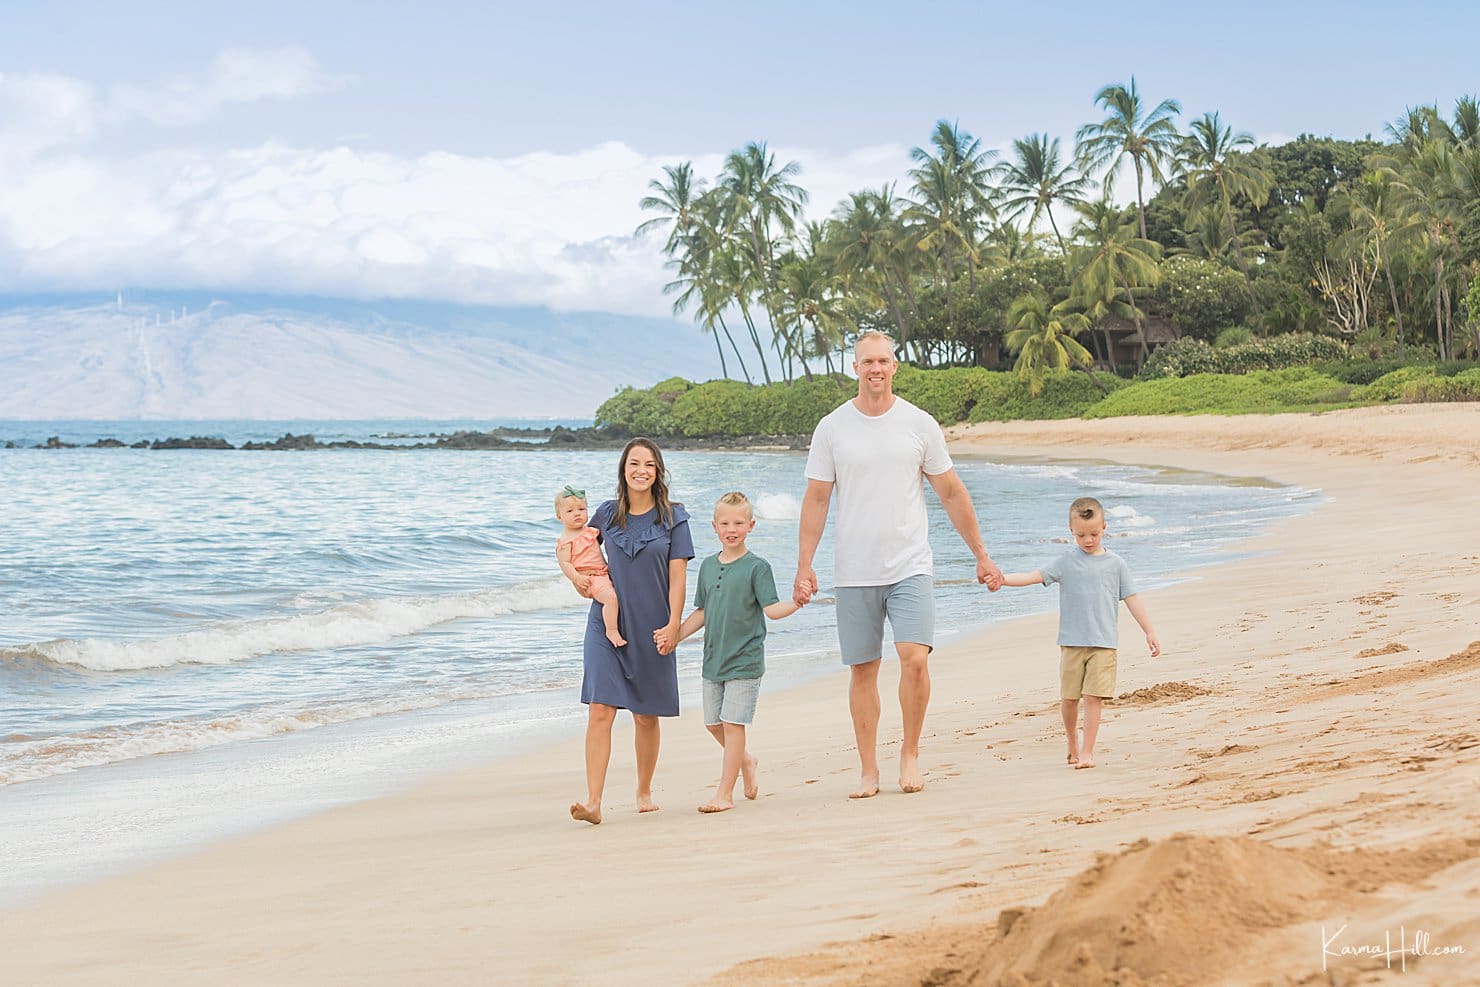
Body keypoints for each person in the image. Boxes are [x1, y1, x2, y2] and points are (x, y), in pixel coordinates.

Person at [794, 331, 1003, 798]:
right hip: (854, 570)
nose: (876, 369)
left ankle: (910, 752)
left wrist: (981, 555)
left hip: (910, 564)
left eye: (884, 361)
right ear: (855, 368)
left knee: (914, 660)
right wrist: (805, 564)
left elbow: (950, 492)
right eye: (867, 361)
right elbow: (817, 498)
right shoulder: (832, 428)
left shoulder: (919, 423)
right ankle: (869, 769)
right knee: (863, 670)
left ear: (895, 367)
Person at [569, 439, 694, 825]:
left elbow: (677, 579)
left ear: (658, 472)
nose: (641, 470)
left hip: (653, 623)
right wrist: (576, 577)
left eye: (649, 465)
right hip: (606, 622)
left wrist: (674, 623)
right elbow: (577, 550)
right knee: (600, 708)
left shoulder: (673, 516)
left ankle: (643, 790)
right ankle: (593, 801)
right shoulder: (606, 515)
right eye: (634, 463)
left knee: (644, 714)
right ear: (623, 469)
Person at [993, 496, 1161, 769]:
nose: (1088, 540)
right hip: (1071, 643)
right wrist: (1002, 580)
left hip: (1104, 643)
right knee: (1070, 699)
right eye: (1081, 534)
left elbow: (1132, 599)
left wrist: (1149, 631)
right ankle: (1072, 741)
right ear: (1071, 530)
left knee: (1093, 698)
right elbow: (1033, 576)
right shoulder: (1066, 562)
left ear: (1104, 527)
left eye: (1094, 533)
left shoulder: (1116, 564)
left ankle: (1087, 751)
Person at [676, 492, 802, 814]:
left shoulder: (757, 567)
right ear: (714, 526)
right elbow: (702, 611)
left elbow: (771, 610)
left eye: (738, 523)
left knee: (733, 726)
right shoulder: (706, 566)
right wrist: (674, 636)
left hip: (745, 660)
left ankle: (724, 793)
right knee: (712, 723)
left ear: (751, 525)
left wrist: (797, 603)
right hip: (713, 659)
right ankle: (746, 759)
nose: (731, 529)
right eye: (725, 523)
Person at [554, 485, 625, 647]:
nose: (577, 513)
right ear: (559, 517)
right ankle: (611, 630)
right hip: (590, 578)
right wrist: (577, 578)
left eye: (581, 509)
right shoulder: (565, 541)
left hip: (603, 573)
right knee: (611, 599)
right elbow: (565, 564)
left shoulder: (589, 531)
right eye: (570, 511)